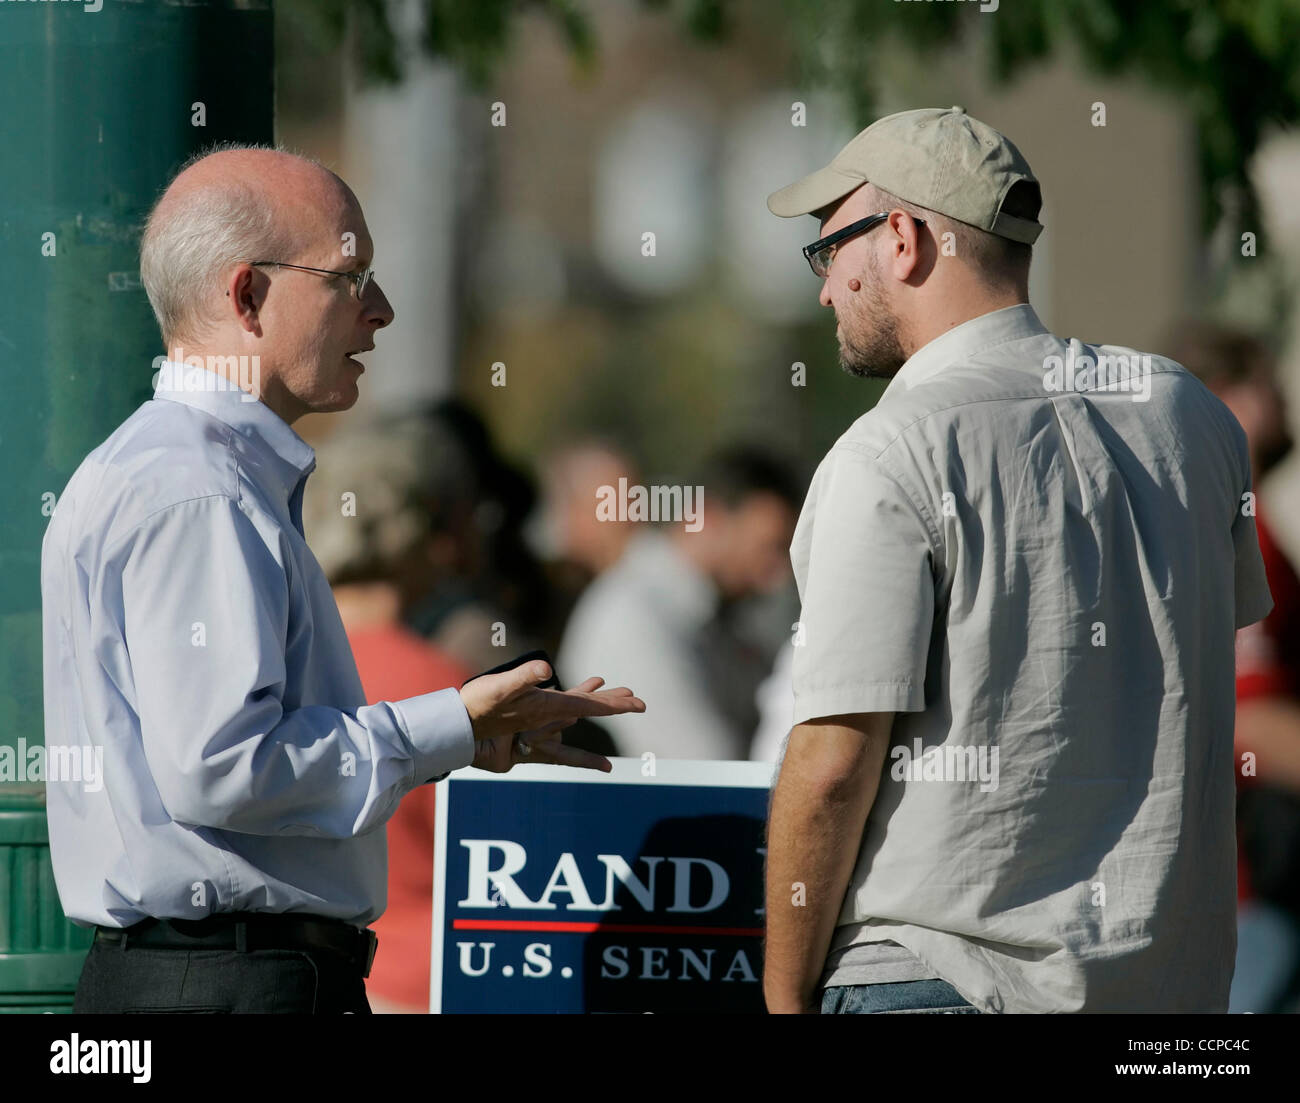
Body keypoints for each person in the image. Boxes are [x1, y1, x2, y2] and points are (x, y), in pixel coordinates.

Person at [40, 144, 644, 1014]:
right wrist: (446, 723)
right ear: (246, 295)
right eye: (350, 277)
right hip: (231, 982)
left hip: (208, 977)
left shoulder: (177, 472)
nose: (382, 310)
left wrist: (460, 738)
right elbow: (223, 768)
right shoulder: (199, 488)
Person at [761, 107, 1273, 1014]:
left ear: (904, 239)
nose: (824, 289)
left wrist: (783, 998)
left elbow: (835, 762)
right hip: (1169, 997)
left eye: (827, 251)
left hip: (940, 976)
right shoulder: (1192, 416)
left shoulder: (889, 453)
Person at [1163, 323, 1300, 1012]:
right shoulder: (1235, 522)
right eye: (1266, 384)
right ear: (1220, 399)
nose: (1282, 400)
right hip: (1248, 901)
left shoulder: (1176, 519)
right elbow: (1254, 716)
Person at [557, 445, 799, 760]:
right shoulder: (635, 617)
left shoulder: (718, 620)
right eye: (768, 547)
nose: (776, 575)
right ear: (707, 518)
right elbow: (704, 767)